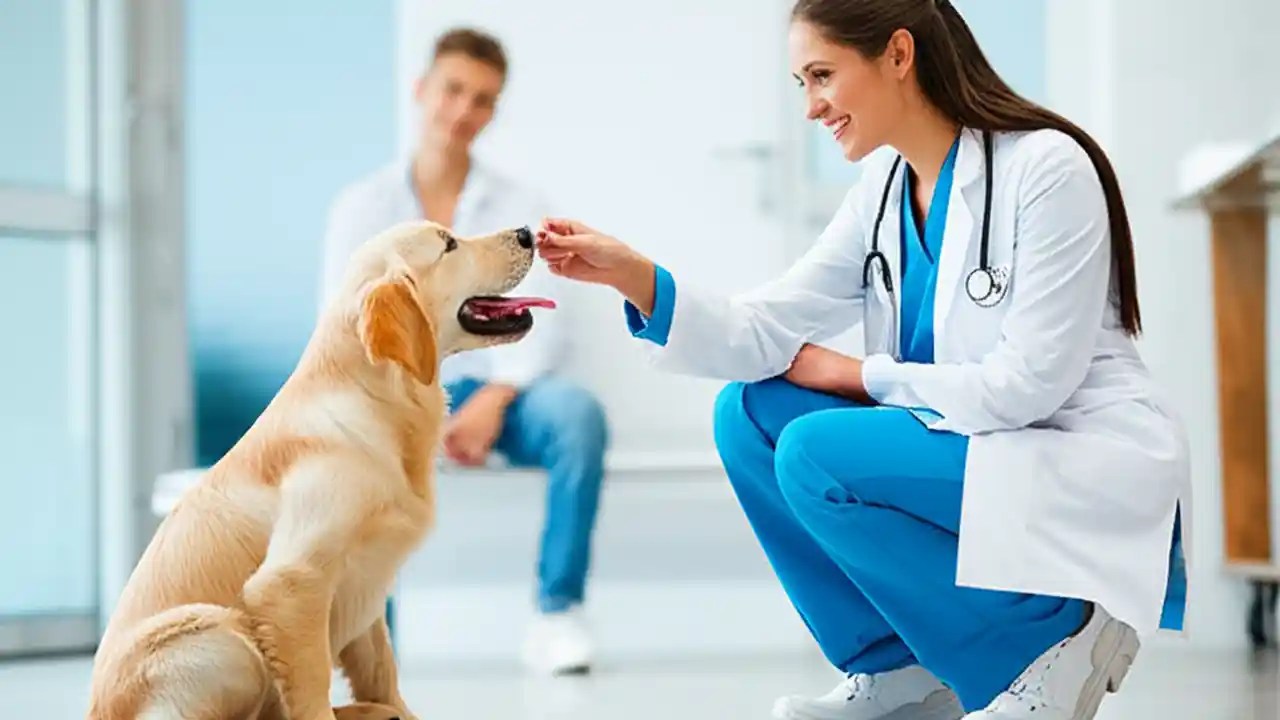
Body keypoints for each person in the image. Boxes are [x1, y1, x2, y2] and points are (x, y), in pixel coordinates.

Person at [535, 0, 1190, 718]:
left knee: (815, 450)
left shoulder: (1045, 168)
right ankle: (900, 671)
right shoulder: (882, 192)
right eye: (801, 84)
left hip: (1068, 450)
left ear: (899, 55)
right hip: (970, 442)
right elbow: (767, 326)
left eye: (822, 75)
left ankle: (1050, 641)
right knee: (750, 414)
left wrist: (857, 374)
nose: (813, 106)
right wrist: (633, 274)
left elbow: (1028, 387)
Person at [320, 26, 608, 676]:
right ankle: (364, 640)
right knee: (351, 449)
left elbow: (544, 318)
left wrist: (496, 401)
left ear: (493, 111)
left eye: (481, 99)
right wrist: (420, 407)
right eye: (452, 90)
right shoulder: (362, 208)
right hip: (399, 393)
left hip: (504, 392)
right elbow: (344, 327)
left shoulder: (521, 205)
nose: (462, 112)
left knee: (578, 418)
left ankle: (557, 613)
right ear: (422, 90)